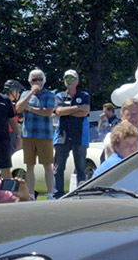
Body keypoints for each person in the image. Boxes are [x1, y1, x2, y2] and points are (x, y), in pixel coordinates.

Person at [14, 68, 56, 196]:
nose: (37, 82)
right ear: (29, 81)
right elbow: (19, 108)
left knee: (48, 165)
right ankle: (31, 194)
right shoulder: (25, 94)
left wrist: (31, 109)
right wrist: (31, 94)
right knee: (29, 166)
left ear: (44, 80)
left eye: (40, 79)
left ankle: (50, 194)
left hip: (45, 135)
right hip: (28, 135)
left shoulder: (49, 94)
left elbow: (48, 112)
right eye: (34, 80)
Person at [52, 69, 91, 198]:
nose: (70, 81)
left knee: (81, 168)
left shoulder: (84, 95)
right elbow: (58, 111)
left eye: (72, 78)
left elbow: (85, 112)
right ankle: (59, 194)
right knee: (59, 168)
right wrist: (77, 108)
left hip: (79, 136)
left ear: (77, 81)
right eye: (67, 79)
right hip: (62, 136)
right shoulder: (59, 96)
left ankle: (81, 193)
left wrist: (67, 111)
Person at [3, 79, 25, 154]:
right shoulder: (3, 103)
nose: (19, 94)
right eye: (17, 92)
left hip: (12, 134)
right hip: (5, 134)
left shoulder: (13, 105)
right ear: (12, 91)